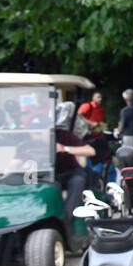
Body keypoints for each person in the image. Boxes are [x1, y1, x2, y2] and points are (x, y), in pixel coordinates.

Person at [53, 102, 96, 239]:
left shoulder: (61, 135)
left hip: (70, 172)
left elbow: (90, 151)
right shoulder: (30, 140)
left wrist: (65, 149)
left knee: (78, 181)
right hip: (49, 177)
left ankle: (66, 221)